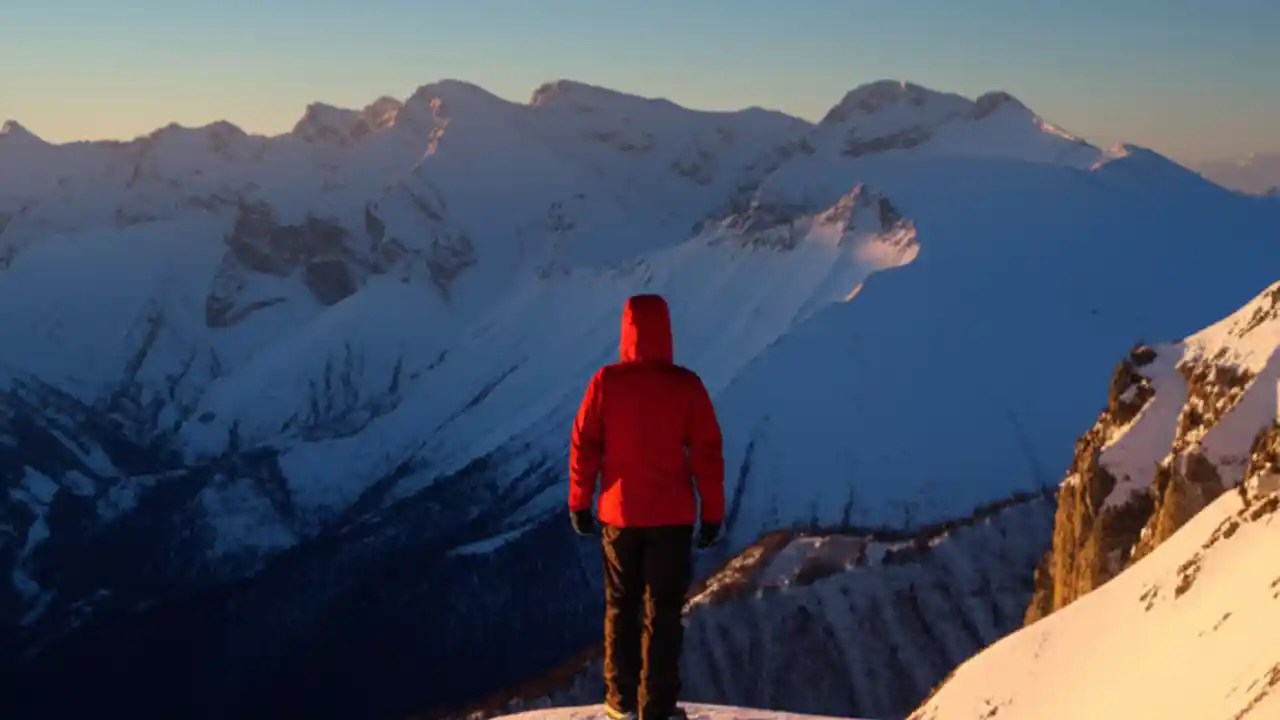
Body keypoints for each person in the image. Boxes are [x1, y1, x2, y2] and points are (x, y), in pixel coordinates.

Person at [568, 294, 725, 720]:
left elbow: (584, 444)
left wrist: (579, 501)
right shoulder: (686, 385)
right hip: (672, 518)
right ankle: (656, 708)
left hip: (619, 516)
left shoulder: (606, 382)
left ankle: (620, 704)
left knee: (621, 607)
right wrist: (712, 512)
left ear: (626, 329)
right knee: (664, 613)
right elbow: (707, 453)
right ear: (666, 331)